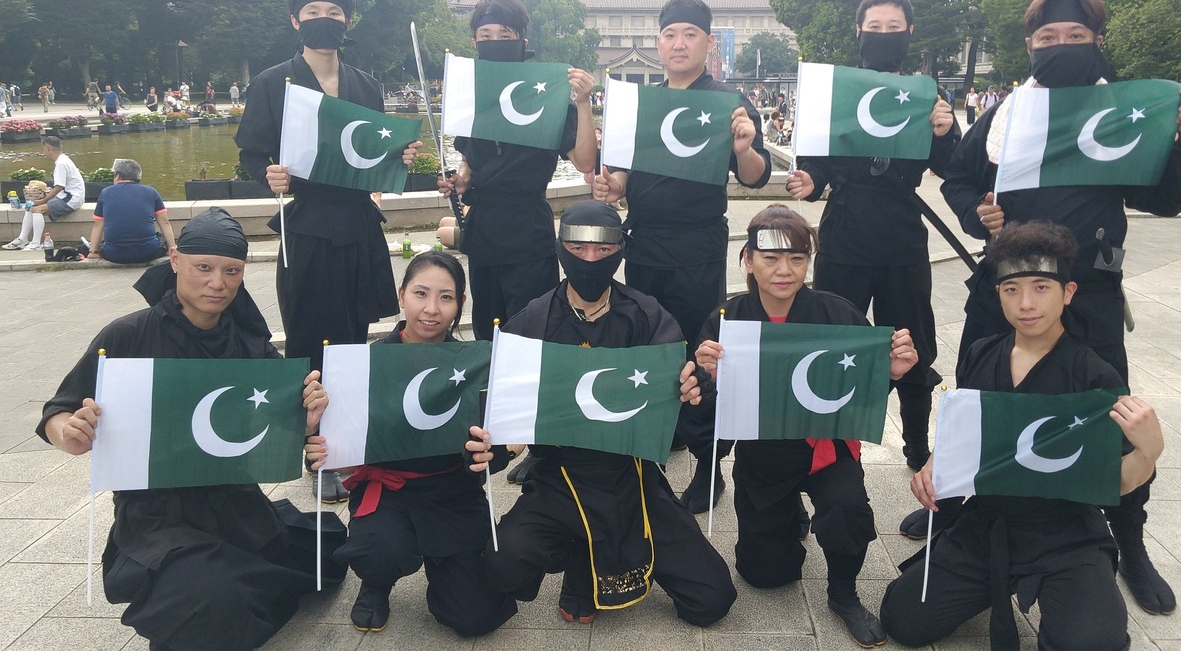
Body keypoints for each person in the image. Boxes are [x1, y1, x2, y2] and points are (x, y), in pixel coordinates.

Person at [932, 0, 1181, 616]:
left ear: (1097, 42)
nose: (1061, 46)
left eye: (1075, 37)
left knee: (1110, 409)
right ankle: (955, 508)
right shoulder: (1009, 113)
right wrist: (977, 214)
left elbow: (1163, 198)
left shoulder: (1122, 112)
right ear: (1030, 45)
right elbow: (959, 177)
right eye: (1048, 37)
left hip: (1090, 290)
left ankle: (1128, 538)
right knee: (980, 398)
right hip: (1007, 285)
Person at [36, 207, 349, 650]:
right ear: (175, 260)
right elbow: (58, 410)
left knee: (328, 557)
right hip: (155, 513)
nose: (218, 283)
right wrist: (69, 433)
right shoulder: (127, 336)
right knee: (216, 602)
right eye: (204, 267)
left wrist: (307, 419)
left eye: (231, 271)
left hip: (235, 502)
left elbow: (284, 425)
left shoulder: (250, 345)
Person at [880, 220, 1162, 650]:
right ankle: (986, 581)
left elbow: (1114, 482)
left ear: (1068, 292)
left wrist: (1148, 451)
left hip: (1065, 533)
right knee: (903, 620)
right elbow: (966, 433)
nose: (1026, 303)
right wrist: (934, 466)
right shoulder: (980, 354)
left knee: (1090, 644)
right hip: (989, 522)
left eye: (1041, 288)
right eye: (1012, 289)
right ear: (998, 294)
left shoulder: (1095, 377)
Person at [467, 200, 738, 628]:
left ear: (621, 250)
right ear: (560, 248)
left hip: (633, 475)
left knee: (712, 599)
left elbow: (679, 413)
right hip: (561, 475)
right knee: (505, 565)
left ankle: (599, 552)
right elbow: (501, 427)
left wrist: (698, 391)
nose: (590, 259)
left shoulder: (649, 317)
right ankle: (581, 554)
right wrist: (491, 450)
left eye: (603, 249)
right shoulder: (530, 324)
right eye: (578, 248)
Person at [693, 205, 919, 648]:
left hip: (824, 449)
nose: (784, 270)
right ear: (747, 260)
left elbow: (863, 394)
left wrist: (890, 373)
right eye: (770, 258)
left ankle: (843, 592)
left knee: (846, 510)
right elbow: (708, 411)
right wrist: (704, 378)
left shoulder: (838, 312)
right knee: (765, 575)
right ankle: (790, 514)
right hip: (765, 453)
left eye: (797, 258)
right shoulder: (727, 319)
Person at [235, 0, 422, 504]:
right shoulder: (274, 83)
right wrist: (268, 173)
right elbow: (251, 151)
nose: (325, 20)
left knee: (352, 337)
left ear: (347, 21)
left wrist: (401, 156)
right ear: (296, 21)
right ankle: (314, 449)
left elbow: (376, 152)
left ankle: (346, 439)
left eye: (334, 13)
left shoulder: (366, 85)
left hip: (357, 223)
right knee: (308, 338)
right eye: (314, 12)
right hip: (309, 227)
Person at [592, 0, 771, 513]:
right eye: (670, 34)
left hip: (698, 245)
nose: (678, 43)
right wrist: (611, 187)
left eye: (690, 34)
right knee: (650, 344)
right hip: (645, 243)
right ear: (658, 41)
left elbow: (756, 177)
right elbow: (620, 175)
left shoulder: (729, 102)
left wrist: (743, 148)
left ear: (708, 42)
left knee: (700, 351)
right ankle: (659, 435)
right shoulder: (641, 104)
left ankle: (709, 466)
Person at [786, 0, 959, 472]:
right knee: (836, 337)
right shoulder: (838, 92)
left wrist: (944, 131)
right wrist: (810, 179)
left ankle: (917, 443)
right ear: (859, 32)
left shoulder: (926, 95)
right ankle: (832, 440)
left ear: (909, 33)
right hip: (844, 231)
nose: (884, 35)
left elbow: (952, 167)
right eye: (875, 27)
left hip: (903, 234)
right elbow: (817, 160)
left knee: (913, 341)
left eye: (894, 28)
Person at [305, 251, 519, 636]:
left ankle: (448, 567)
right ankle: (376, 581)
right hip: (390, 491)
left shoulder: (476, 365)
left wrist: (492, 453)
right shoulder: (364, 365)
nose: (431, 309)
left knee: (476, 616)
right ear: (401, 294)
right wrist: (317, 442)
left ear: (461, 303)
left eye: (445, 297)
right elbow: (337, 451)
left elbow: (495, 451)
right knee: (379, 550)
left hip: (453, 493)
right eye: (421, 293)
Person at [437, 0, 598, 345]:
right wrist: (461, 180)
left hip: (529, 232)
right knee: (487, 331)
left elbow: (585, 162)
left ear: (522, 41)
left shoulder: (545, 94)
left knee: (532, 331)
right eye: (486, 35)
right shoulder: (472, 92)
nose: (495, 41)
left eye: (505, 35)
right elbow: (468, 157)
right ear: (474, 42)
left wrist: (583, 102)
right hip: (484, 231)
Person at [87, 159, 177, 264]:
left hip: (114, 254)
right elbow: (164, 222)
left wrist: (93, 252)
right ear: (138, 176)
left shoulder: (105, 193)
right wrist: (171, 248)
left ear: (117, 176)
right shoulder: (151, 192)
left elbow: (98, 225)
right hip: (148, 252)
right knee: (159, 239)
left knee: (103, 244)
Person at [4, 137, 85, 250]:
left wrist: (43, 200)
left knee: (38, 209)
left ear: (48, 149)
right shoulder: (63, 159)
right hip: (66, 196)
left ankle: (36, 243)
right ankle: (22, 239)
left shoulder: (61, 164)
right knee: (30, 206)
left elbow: (59, 186)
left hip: (71, 199)